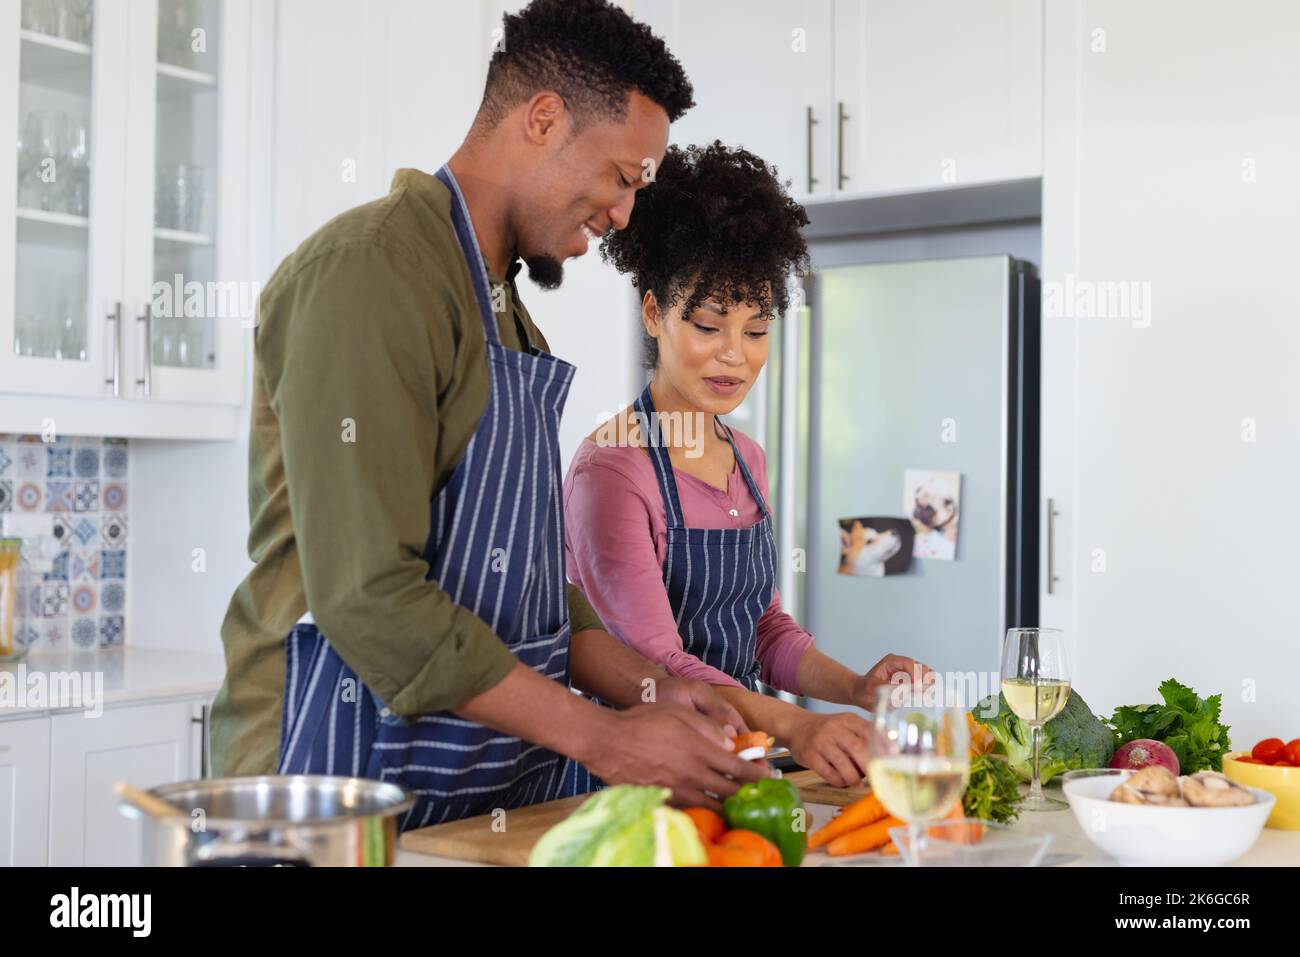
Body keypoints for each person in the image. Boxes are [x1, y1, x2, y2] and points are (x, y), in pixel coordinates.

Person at [211, 0, 767, 830]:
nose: (623, 216)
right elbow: (371, 599)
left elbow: (538, 588)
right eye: (621, 178)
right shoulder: (370, 276)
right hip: (330, 777)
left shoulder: (504, 310)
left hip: (468, 778)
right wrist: (605, 737)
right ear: (544, 120)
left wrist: (662, 690)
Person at [564, 142, 934, 788]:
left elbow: (764, 629)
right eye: (709, 325)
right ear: (654, 313)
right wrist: (795, 725)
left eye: (756, 330)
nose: (734, 356)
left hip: (738, 762)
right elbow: (658, 661)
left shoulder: (747, 459)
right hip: (640, 776)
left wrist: (856, 686)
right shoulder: (614, 470)